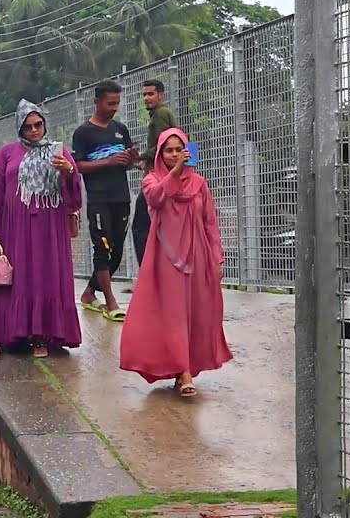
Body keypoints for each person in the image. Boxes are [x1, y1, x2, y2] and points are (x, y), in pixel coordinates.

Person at [119, 127, 233, 396]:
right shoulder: (151, 180)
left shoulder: (199, 184)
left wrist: (217, 259)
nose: (173, 154)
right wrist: (176, 171)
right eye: (168, 150)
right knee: (173, 314)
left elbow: (210, 223)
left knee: (196, 313)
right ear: (160, 153)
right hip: (166, 259)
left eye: (178, 149)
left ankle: (185, 370)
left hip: (198, 258)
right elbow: (157, 197)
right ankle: (184, 372)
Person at [0, 99, 84, 359]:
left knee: (45, 278)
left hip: (50, 229)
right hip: (16, 229)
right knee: (13, 280)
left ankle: (42, 336)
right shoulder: (7, 153)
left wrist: (69, 171)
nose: (34, 130)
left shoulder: (59, 152)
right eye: (28, 127)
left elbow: (74, 199)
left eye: (38, 125)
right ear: (20, 128)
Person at [72, 80, 139, 322]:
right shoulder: (83, 133)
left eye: (117, 103)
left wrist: (131, 159)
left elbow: (128, 162)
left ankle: (90, 292)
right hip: (98, 198)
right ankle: (111, 302)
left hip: (121, 197)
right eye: (110, 103)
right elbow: (78, 166)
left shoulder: (120, 129)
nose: (114, 108)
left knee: (117, 251)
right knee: (102, 248)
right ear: (97, 102)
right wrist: (107, 162)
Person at [133, 79, 180, 268]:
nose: (146, 98)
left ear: (161, 95)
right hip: (163, 177)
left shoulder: (160, 114)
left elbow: (163, 146)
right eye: (144, 94)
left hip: (158, 180)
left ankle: (148, 272)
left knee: (140, 227)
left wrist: (140, 156)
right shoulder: (161, 114)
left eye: (151, 94)